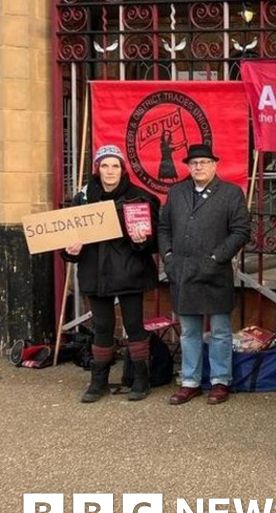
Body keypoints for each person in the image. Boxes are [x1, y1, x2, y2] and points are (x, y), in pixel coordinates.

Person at [63, 145, 160, 403]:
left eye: (115, 165)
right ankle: (98, 382)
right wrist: (71, 250)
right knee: (102, 327)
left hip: (129, 272)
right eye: (104, 165)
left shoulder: (139, 197)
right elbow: (68, 242)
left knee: (134, 326)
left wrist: (141, 240)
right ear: (97, 168)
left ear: (122, 169)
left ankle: (141, 380)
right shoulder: (83, 199)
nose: (110, 171)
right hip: (95, 273)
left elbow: (153, 242)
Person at [158, 143, 250, 406]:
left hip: (215, 271)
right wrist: (168, 257)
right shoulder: (177, 192)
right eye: (194, 163)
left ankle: (220, 381)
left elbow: (241, 230)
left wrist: (216, 257)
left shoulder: (231, 193)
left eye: (204, 162)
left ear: (214, 165)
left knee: (220, 331)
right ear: (188, 166)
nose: (198, 167)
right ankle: (190, 382)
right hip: (183, 271)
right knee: (189, 331)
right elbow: (163, 228)